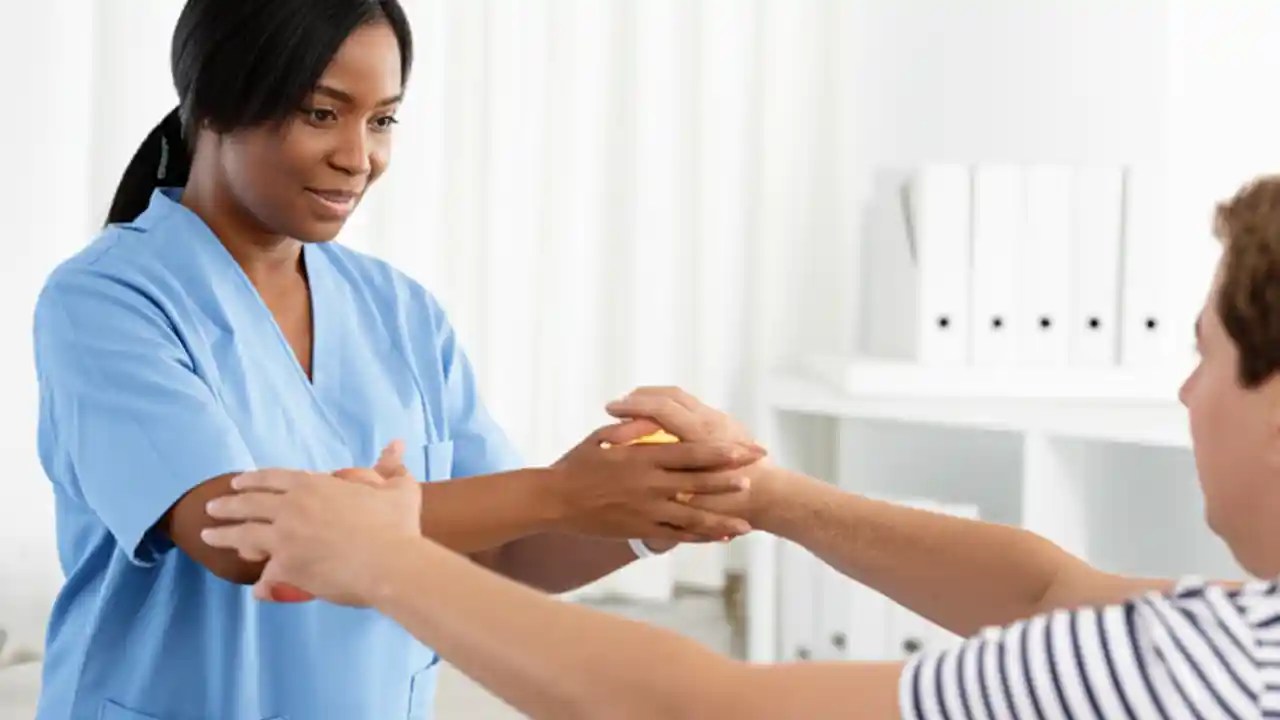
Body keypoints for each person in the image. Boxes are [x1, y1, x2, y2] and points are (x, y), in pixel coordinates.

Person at [205, 175, 1280, 719]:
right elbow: (1049, 591)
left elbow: (701, 713)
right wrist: (759, 493)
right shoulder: (1230, 635)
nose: (1181, 393)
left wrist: (386, 557)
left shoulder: (1204, 666)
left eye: (1201, 356)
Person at [31, 1, 760, 717]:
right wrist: (563, 490)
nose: (359, 158)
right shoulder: (107, 302)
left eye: (381, 120)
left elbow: (498, 555)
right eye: (322, 113)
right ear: (217, 101)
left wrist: (649, 509)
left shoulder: (400, 313)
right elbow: (243, 538)